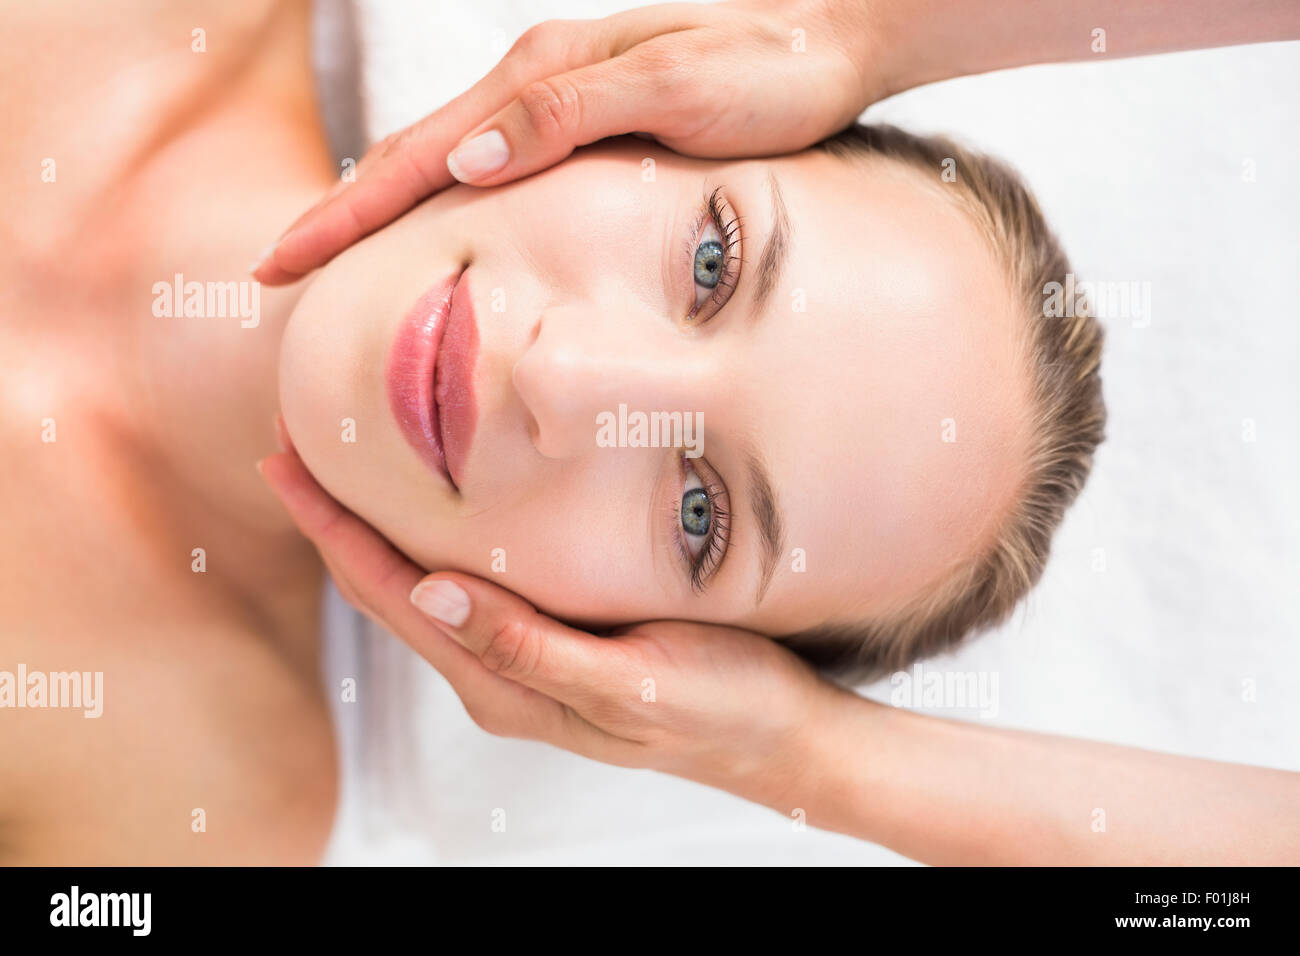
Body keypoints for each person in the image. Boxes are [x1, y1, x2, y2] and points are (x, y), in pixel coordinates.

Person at [1, 0, 1295, 867]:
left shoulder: (193, 807)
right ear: (657, 112)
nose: (569, 381)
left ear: (630, 660)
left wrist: (796, 756)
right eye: (715, 260)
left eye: (697, 514)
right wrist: (862, 31)